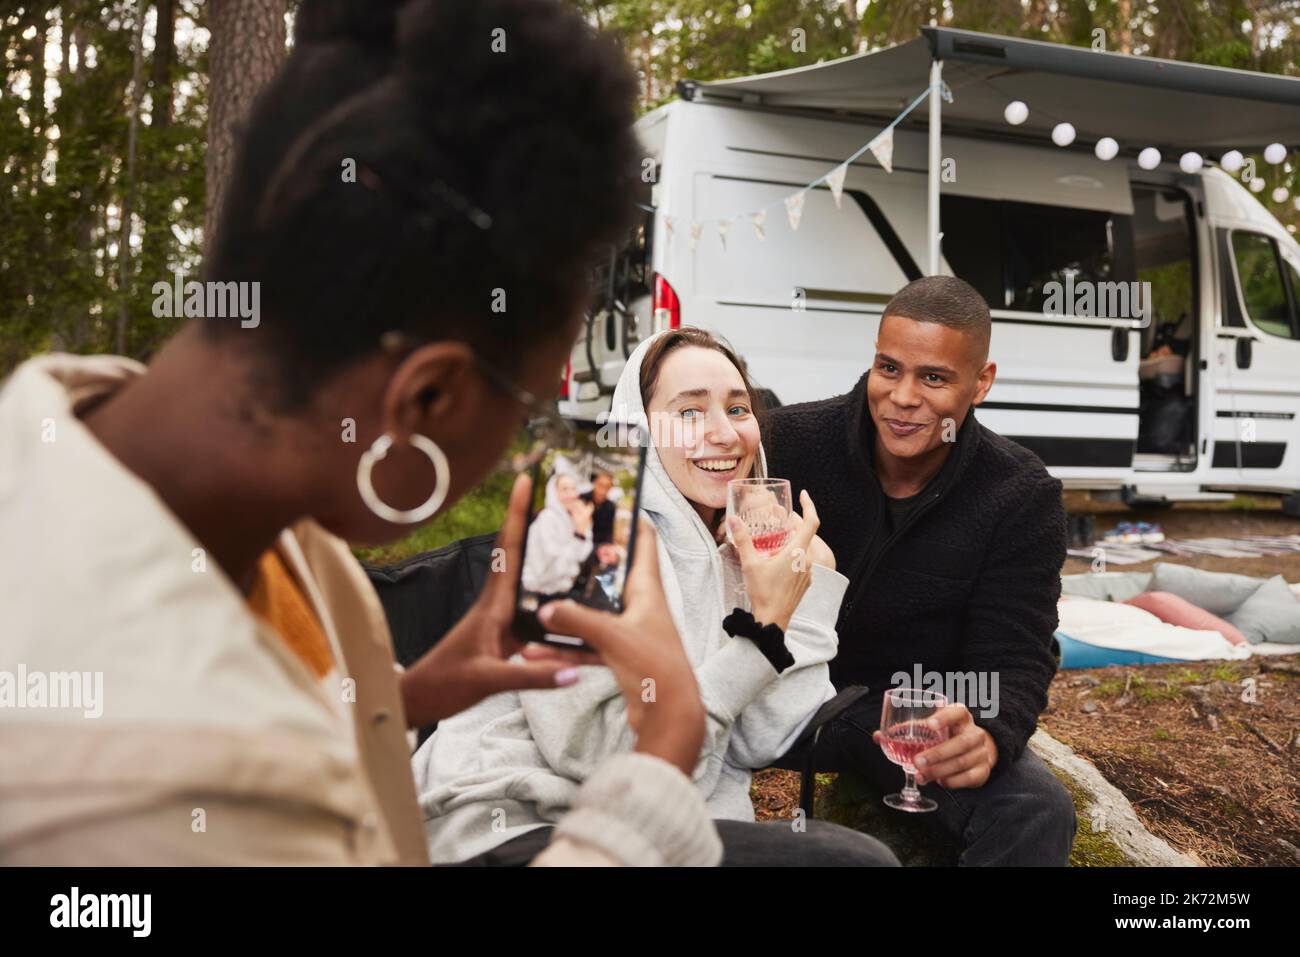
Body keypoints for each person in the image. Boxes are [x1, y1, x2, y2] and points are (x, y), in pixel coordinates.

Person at [0, 0, 723, 867]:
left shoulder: (168, 486)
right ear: (426, 399)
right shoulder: (139, 780)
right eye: (527, 404)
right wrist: (662, 756)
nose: (518, 437)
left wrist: (404, 696)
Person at [414, 328, 899, 867]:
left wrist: (808, 593)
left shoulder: (740, 546)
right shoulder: (586, 527)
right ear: (638, 427)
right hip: (519, 827)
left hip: (662, 828)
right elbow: (608, 760)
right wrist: (762, 637)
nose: (724, 434)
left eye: (738, 409)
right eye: (689, 412)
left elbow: (762, 738)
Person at [765, 276, 1078, 866]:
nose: (903, 396)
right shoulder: (791, 443)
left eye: (933, 377)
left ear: (981, 383)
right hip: (768, 692)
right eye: (889, 368)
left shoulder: (1019, 493)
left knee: (1036, 808)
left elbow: (1015, 655)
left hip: (896, 717)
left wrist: (989, 731)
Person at [521, 472, 594, 598]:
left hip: (559, 592)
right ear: (554, 493)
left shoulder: (570, 518)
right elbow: (554, 568)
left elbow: (582, 555)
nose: (571, 494)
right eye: (564, 489)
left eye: (573, 488)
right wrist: (579, 534)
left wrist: (584, 525)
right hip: (537, 594)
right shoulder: (547, 518)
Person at [581, 470, 618, 552]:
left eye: (607, 487)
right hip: (581, 542)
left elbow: (609, 530)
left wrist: (608, 546)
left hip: (599, 545)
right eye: (600, 485)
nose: (602, 491)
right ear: (594, 483)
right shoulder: (582, 499)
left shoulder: (611, 506)